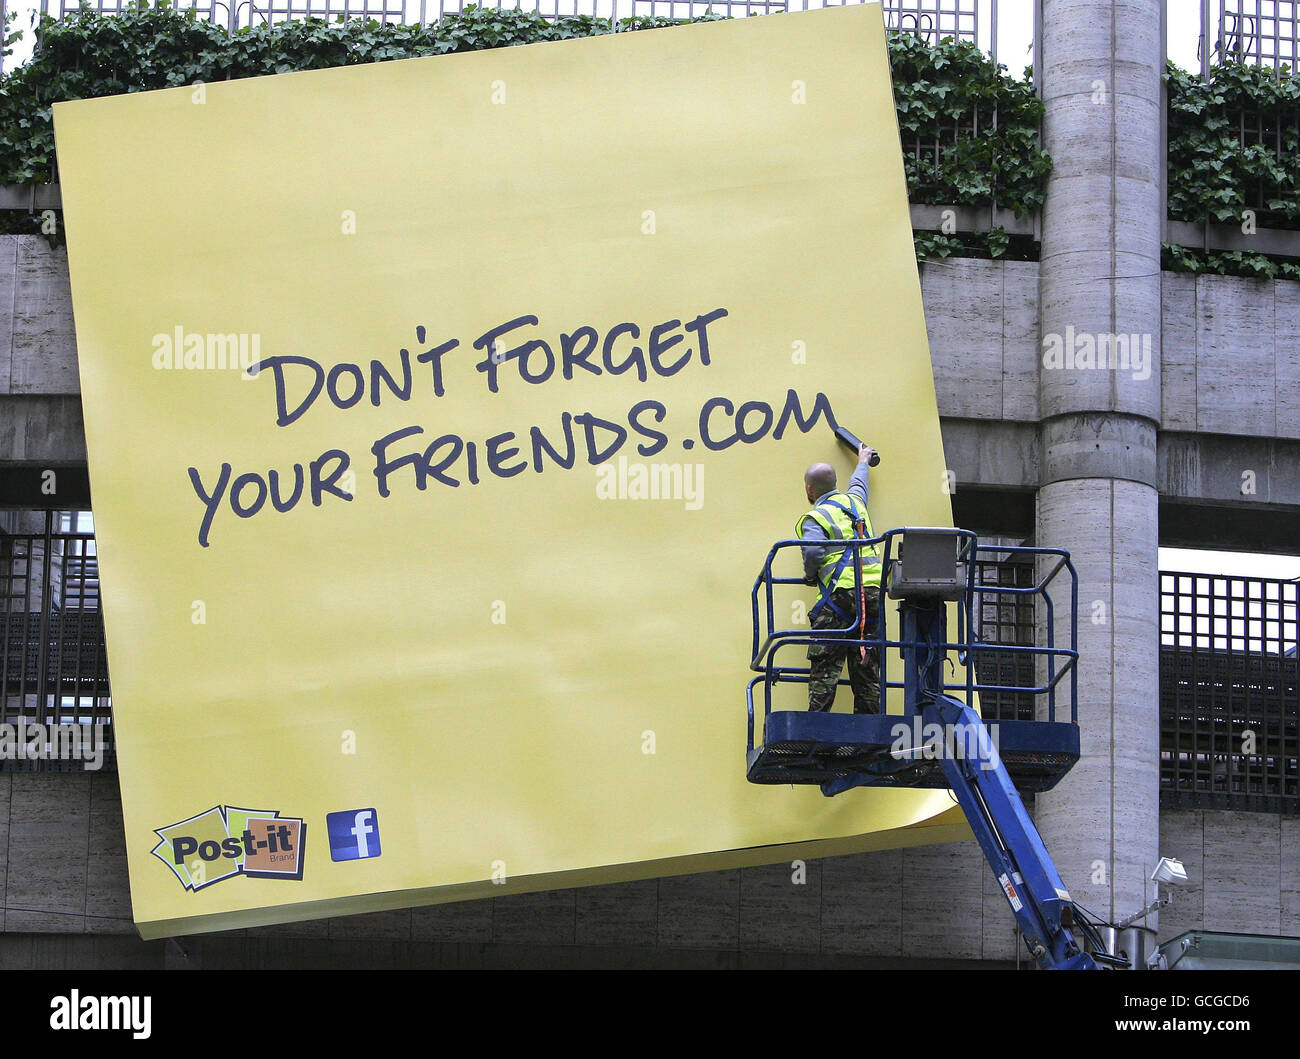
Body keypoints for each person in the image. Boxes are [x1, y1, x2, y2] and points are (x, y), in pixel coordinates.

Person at [796, 442, 883, 714]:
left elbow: (812, 551)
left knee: (826, 663)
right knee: (866, 662)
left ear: (810, 489)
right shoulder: (855, 503)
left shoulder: (816, 516)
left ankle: (818, 726)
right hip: (871, 596)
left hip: (838, 598)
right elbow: (858, 485)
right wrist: (863, 461)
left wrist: (810, 575)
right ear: (835, 483)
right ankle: (868, 728)